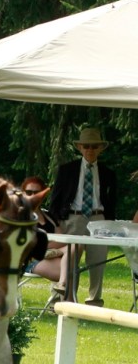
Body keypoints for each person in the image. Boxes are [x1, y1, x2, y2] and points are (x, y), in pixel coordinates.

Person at [48, 127, 117, 307]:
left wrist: (109, 223)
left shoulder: (108, 173)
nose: (90, 150)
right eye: (86, 146)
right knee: (70, 262)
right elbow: (55, 200)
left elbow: (112, 202)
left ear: (101, 148)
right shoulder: (66, 170)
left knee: (98, 262)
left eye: (94, 146)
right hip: (73, 218)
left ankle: (95, 301)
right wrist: (57, 224)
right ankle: (66, 299)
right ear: (79, 148)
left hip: (98, 219)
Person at [19, 176, 63, 281]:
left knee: (76, 248)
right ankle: (66, 295)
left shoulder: (48, 215)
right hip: (31, 260)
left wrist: (45, 245)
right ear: (23, 193)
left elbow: (63, 239)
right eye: (29, 192)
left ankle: (66, 296)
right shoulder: (19, 215)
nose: (33, 196)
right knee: (69, 272)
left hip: (52, 256)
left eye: (36, 192)